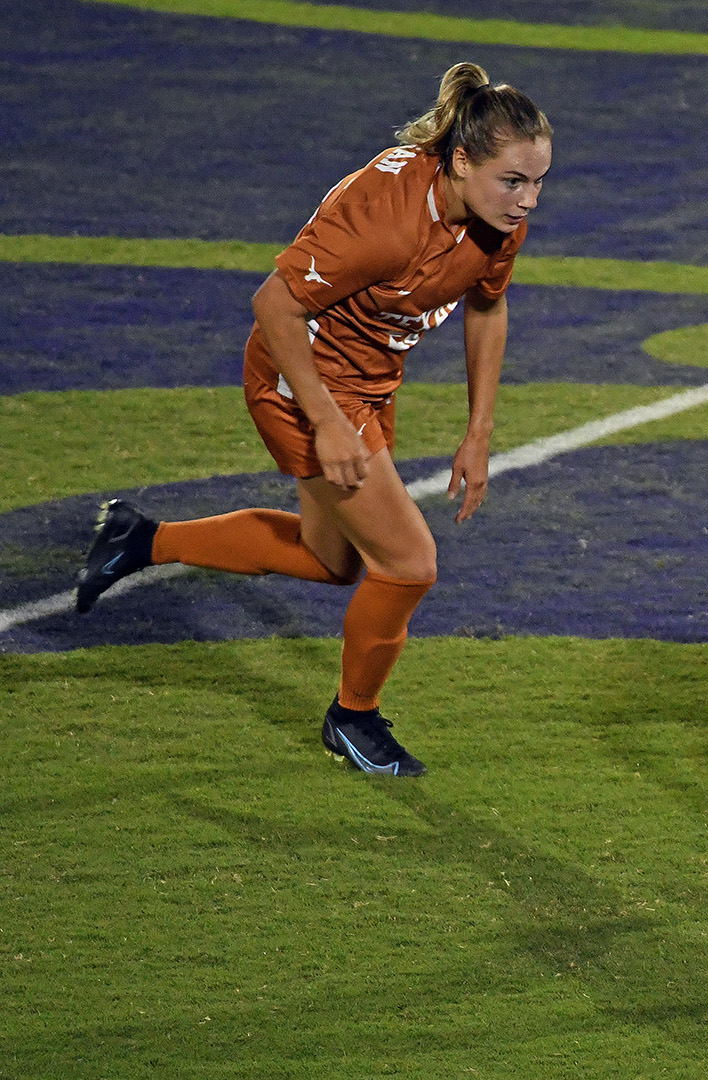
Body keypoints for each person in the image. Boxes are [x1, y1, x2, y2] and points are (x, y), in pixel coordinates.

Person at [74, 62, 552, 777]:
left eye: (539, 182)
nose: (528, 201)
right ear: (461, 161)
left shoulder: (494, 217)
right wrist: (327, 420)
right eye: (513, 181)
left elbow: (486, 304)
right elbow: (274, 304)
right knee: (409, 564)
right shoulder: (386, 220)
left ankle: (139, 540)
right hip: (303, 383)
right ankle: (351, 719)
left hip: (365, 379)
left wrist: (479, 431)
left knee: (333, 562)